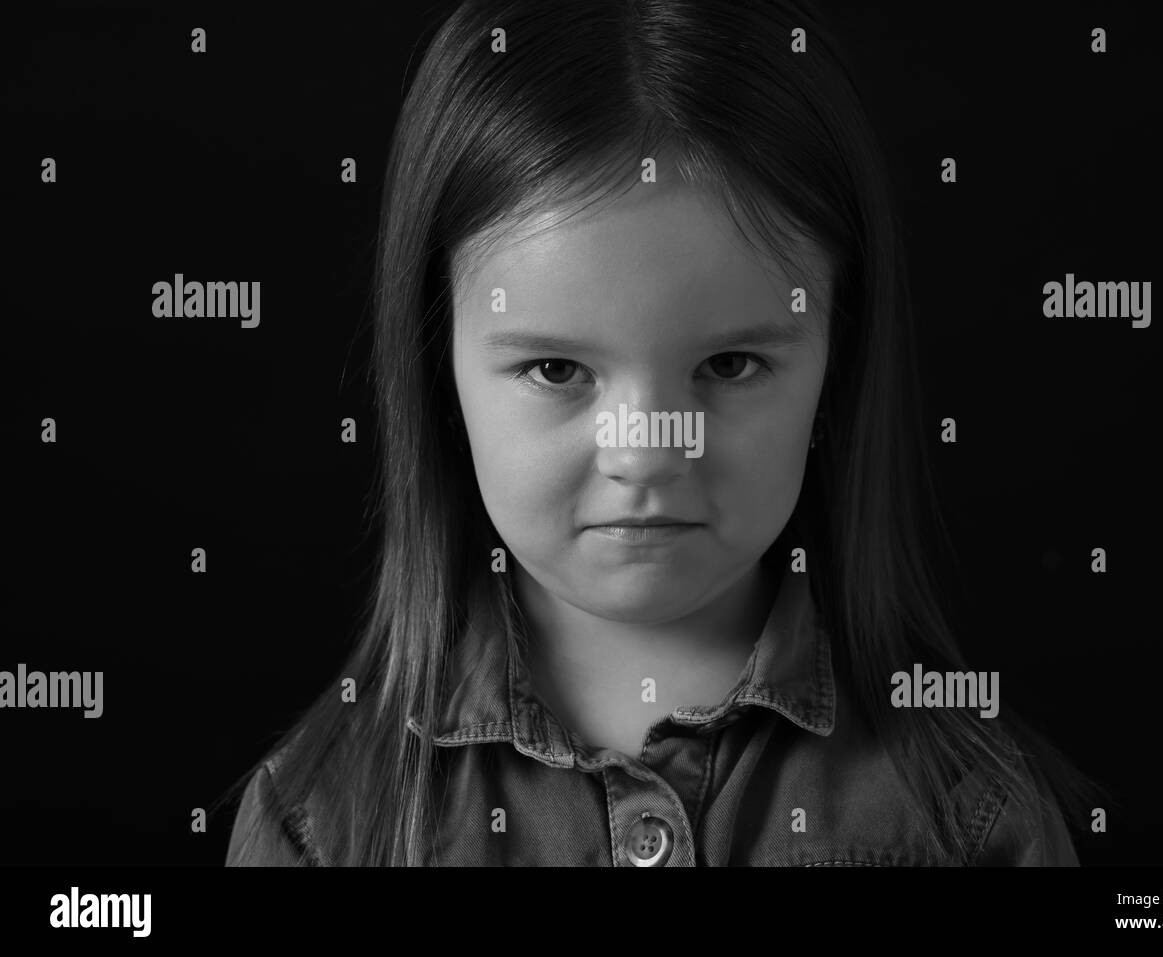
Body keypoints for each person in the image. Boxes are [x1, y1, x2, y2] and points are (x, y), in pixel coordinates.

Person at [223, 0, 1110, 866]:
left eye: (727, 366)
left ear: (837, 359)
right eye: (557, 370)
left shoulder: (973, 818)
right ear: (439, 369)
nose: (647, 451)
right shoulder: (322, 827)